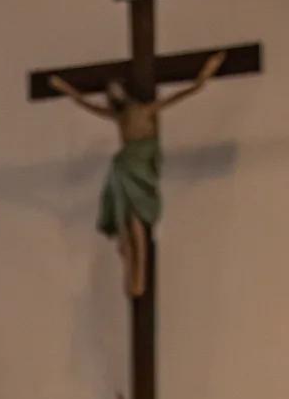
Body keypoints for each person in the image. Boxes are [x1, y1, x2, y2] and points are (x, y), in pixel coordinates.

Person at [48, 52, 225, 299]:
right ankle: (131, 273)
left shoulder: (146, 109)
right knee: (126, 222)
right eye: (110, 93)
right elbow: (84, 103)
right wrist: (64, 87)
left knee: (137, 221)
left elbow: (184, 93)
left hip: (140, 167)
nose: (113, 95)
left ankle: (139, 275)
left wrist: (206, 73)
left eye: (116, 90)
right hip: (124, 168)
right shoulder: (118, 116)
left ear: (124, 91)